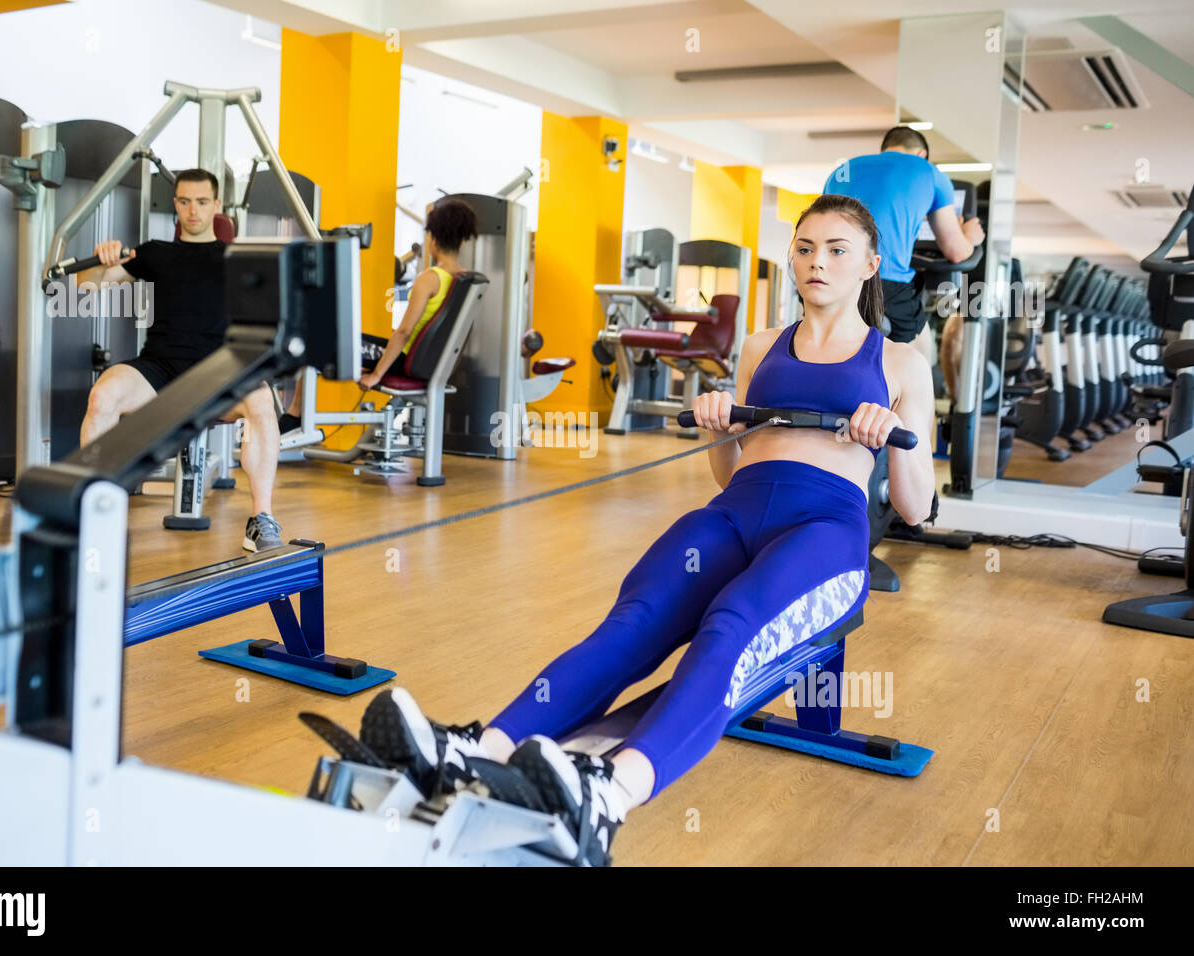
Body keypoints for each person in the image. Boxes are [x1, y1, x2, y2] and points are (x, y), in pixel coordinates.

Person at [337, 194, 937, 866]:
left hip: (825, 532)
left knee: (731, 627)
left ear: (870, 264)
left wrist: (893, 439)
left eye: (835, 250)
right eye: (804, 248)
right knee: (634, 622)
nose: (816, 262)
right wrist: (718, 429)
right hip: (735, 512)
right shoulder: (762, 346)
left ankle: (611, 791)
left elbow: (917, 508)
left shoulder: (902, 363)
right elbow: (726, 471)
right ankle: (481, 748)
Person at [75, 169, 284, 553]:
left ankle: (262, 519)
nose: (193, 210)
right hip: (160, 367)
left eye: (202, 202)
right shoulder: (154, 252)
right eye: (185, 201)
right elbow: (84, 286)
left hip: (219, 371)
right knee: (103, 396)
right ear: (175, 204)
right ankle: (96, 516)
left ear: (217, 206)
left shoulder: (237, 258)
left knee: (261, 399)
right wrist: (103, 260)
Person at [276, 198, 478, 431]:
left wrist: (377, 374)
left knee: (315, 339)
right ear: (462, 242)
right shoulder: (465, 279)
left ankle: (296, 414)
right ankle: (298, 413)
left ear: (432, 238)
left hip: (406, 359)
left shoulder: (430, 279)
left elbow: (404, 331)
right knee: (333, 337)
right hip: (427, 359)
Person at [823, 126, 985, 361]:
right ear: (922, 154)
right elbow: (956, 251)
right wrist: (971, 235)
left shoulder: (842, 169)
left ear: (884, 151)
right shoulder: (929, 172)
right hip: (885, 286)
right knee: (920, 358)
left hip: (832, 283)